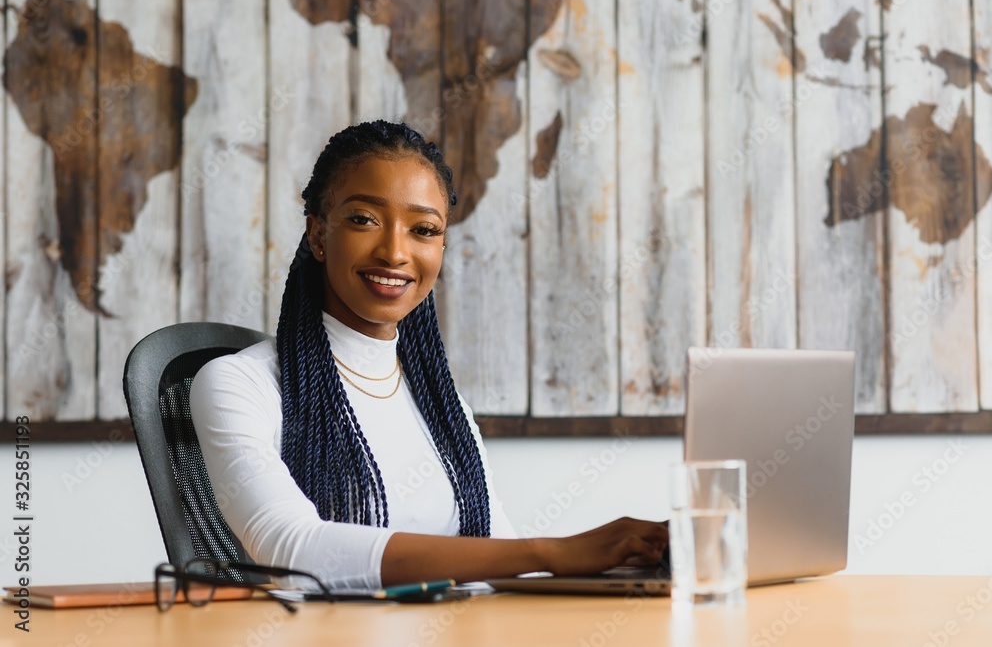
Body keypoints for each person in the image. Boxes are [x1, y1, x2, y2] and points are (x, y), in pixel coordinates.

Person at [190, 120, 668, 590]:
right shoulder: (238, 383)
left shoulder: (441, 402)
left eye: (423, 229)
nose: (396, 252)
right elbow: (294, 549)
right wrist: (550, 551)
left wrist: (621, 566)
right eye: (364, 219)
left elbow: (498, 554)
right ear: (318, 235)